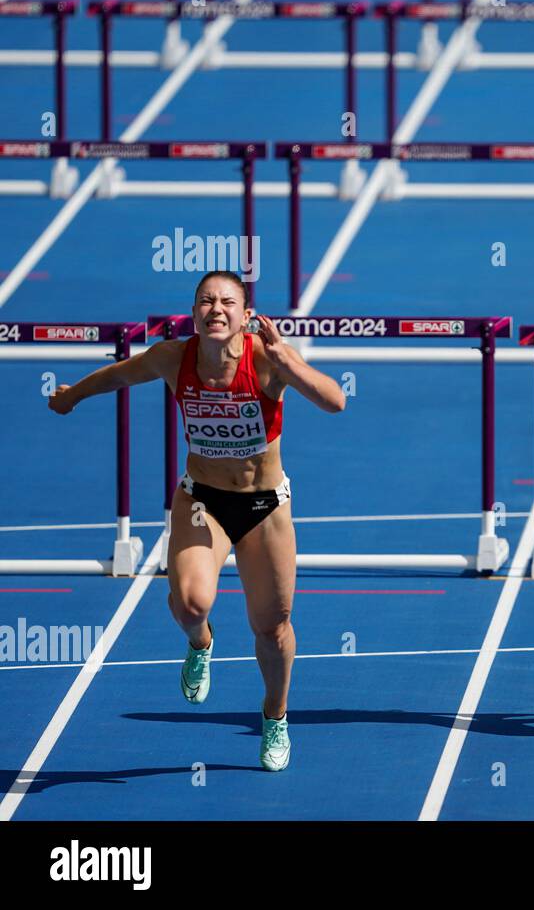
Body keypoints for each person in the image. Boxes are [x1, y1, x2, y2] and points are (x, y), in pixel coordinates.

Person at [49, 271, 346, 770]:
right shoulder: (173, 358)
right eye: (206, 301)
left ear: (246, 315)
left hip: (264, 505)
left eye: (228, 302)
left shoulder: (265, 361)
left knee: (272, 628)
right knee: (190, 604)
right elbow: (120, 373)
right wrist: (73, 395)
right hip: (201, 499)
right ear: (194, 314)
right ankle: (200, 642)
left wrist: (289, 363)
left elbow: (335, 400)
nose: (216, 309)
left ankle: (275, 716)